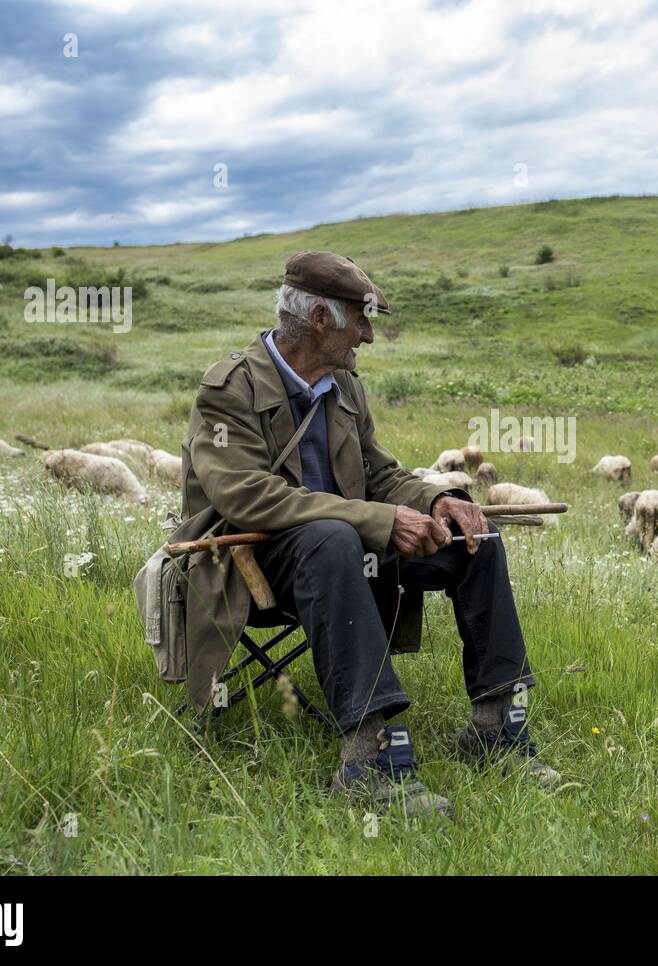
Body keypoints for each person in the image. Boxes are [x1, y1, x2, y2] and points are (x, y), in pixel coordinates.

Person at [178, 250, 558, 817]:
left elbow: (380, 474)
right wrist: (377, 521)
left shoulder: (344, 386)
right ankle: (368, 765)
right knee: (331, 538)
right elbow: (245, 497)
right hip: (252, 563)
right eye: (361, 320)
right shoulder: (228, 389)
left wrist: (437, 500)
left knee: (477, 540)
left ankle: (495, 729)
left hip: (349, 549)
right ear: (321, 320)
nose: (370, 336)